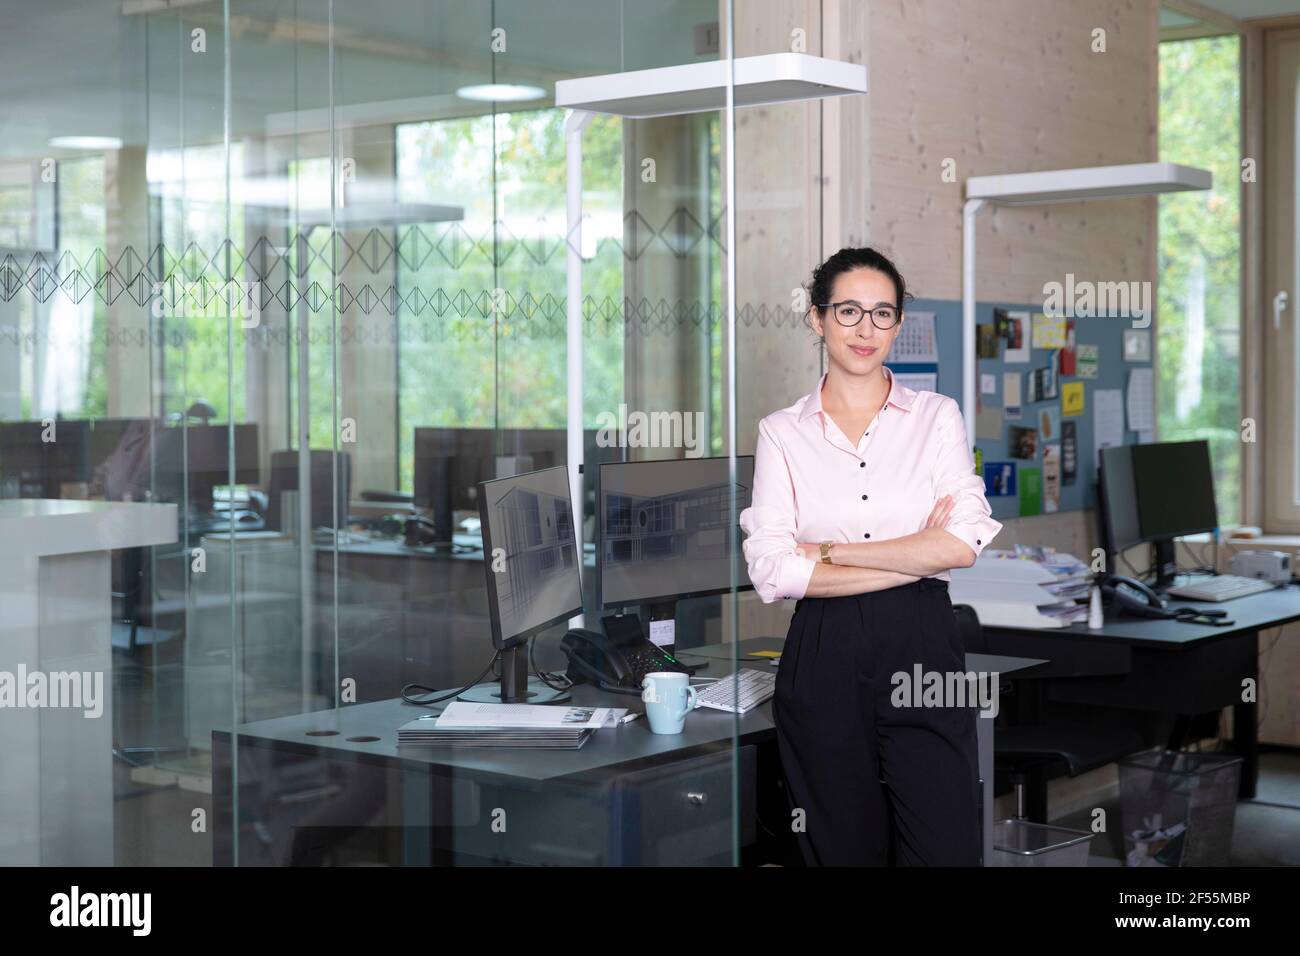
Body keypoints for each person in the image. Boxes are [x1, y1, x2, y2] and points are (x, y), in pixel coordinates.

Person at [738, 246, 1002, 866]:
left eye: (883, 314)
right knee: (842, 850)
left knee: (946, 850)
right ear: (817, 319)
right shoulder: (782, 431)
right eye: (849, 311)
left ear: (898, 325)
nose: (865, 329)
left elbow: (962, 542)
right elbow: (773, 570)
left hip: (923, 644)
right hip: (823, 654)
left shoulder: (936, 417)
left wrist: (826, 553)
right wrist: (915, 554)